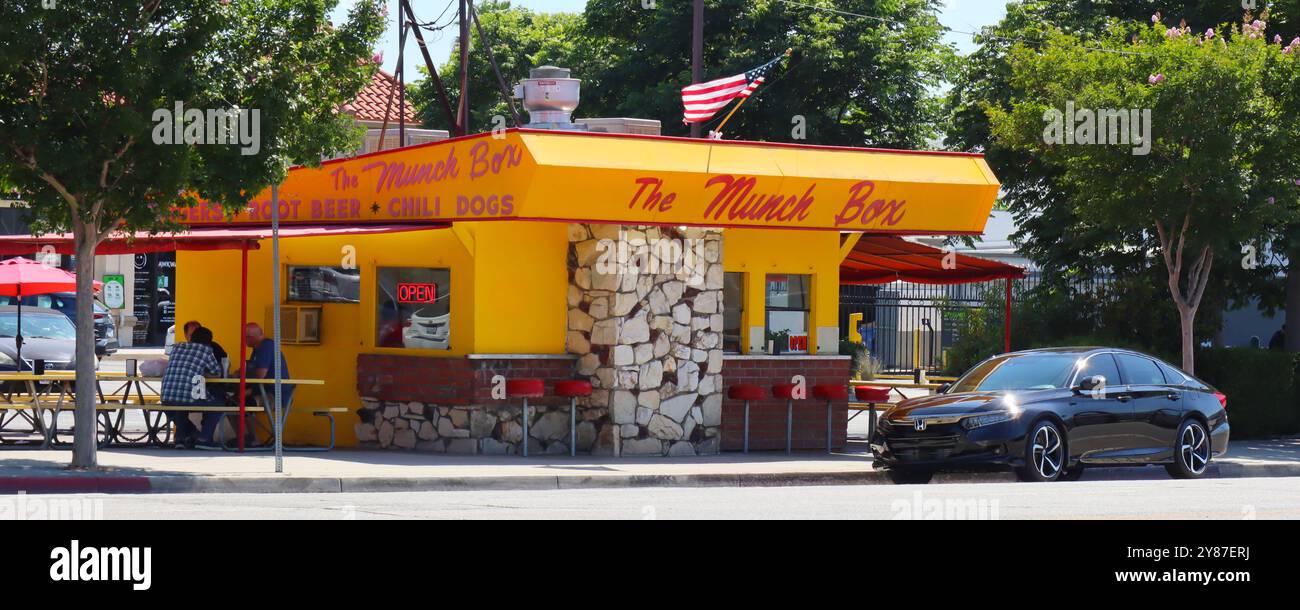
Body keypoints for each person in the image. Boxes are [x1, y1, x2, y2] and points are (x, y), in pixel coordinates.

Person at [161, 326, 224, 449]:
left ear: (191, 338)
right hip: (186, 397)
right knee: (218, 404)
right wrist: (202, 371)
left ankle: (181, 438)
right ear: (209, 341)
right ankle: (204, 440)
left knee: (180, 403)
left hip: (166, 397)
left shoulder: (177, 347)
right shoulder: (206, 350)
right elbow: (217, 372)